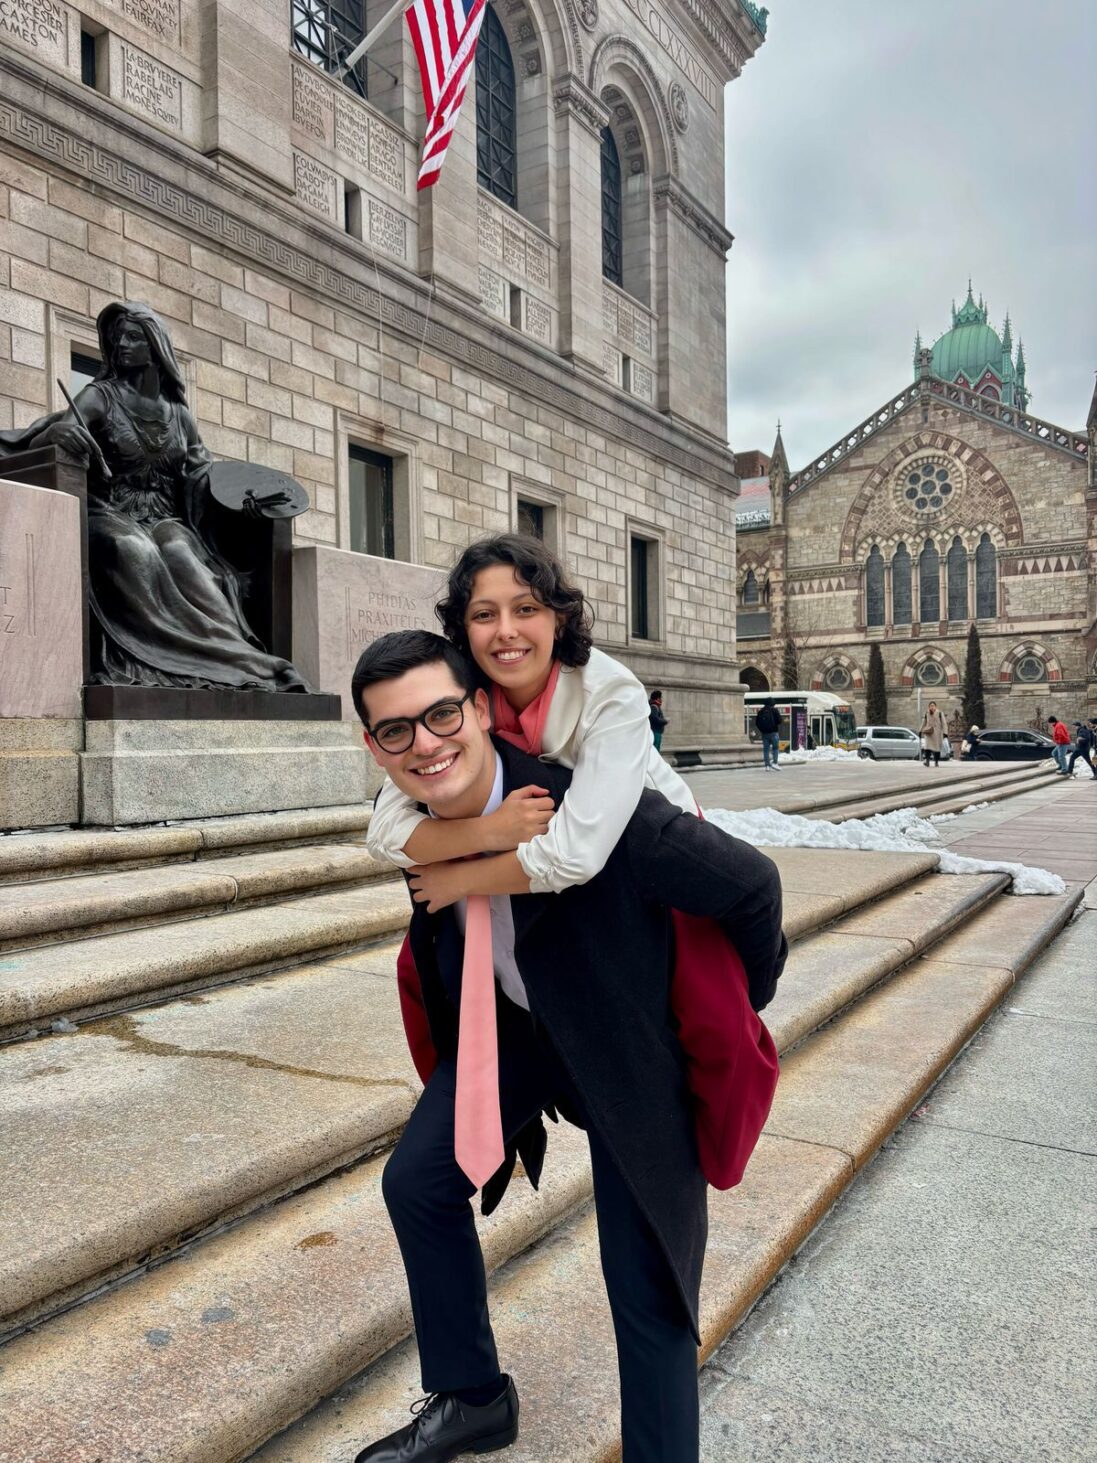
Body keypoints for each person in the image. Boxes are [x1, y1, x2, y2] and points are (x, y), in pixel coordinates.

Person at [350, 630, 786, 1463]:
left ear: (479, 708)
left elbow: (751, 884)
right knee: (417, 1182)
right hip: (515, 1032)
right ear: (373, 746)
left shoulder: (595, 807)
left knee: (643, 1275)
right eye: (396, 730)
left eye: (442, 713)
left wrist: (741, 999)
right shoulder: (413, 821)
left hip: (630, 1050)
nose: (426, 743)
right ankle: (475, 1397)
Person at [366, 533, 779, 1195]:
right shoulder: (465, 694)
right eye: (482, 614)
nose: (505, 632)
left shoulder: (610, 690)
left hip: (650, 870)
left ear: (557, 616)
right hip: (546, 875)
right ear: (461, 627)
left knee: (708, 1027)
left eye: (525, 608)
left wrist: (458, 876)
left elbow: (576, 853)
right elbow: (386, 825)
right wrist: (489, 828)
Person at [0, 301, 306, 691]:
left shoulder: (179, 415)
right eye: (117, 339)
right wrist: (55, 434)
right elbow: (54, 434)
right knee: (133, 550)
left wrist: (244, 503)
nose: (121, 345)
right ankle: (191, 660)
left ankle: (242, 658)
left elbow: (201, 476)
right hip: (107, 510)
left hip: (164, 519)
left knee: (181, 554)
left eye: (133, 337)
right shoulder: (100, 396)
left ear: (155, 347)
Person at [754, 696, 782, 771]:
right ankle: (775, 763)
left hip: (764, 734)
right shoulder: (775, 710)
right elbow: (780, 721)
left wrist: (762, 730)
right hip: (774, 733)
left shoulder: (761, 711)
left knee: (766, 750)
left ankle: (767, 766)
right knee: (775, 748)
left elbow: (757, 723)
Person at [919, 702, 948, 767]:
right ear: (929, 707)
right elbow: (923, 723)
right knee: (927, 748)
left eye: (933, 706)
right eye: (930, 706)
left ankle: (936, 762)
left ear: (936, 707)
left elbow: (944, 724)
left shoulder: (940, 713)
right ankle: (927, 762)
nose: (932, 707)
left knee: (937, 749)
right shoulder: (927, 714)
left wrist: (945, 733)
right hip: (928, 733)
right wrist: (920, 731)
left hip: (937, 734)